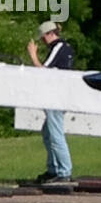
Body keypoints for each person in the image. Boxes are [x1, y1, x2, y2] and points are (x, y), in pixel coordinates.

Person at [27, 21, 74, 183]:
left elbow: (43, 72)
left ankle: (63, 171)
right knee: (48, 133)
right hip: (60, 96)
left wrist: (33, 55)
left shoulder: (58, 47)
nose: (42, 42)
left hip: (56, 98)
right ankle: (53, 169)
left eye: (43, 38)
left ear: (49, 34)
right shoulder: (64, 47)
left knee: (55, 135)